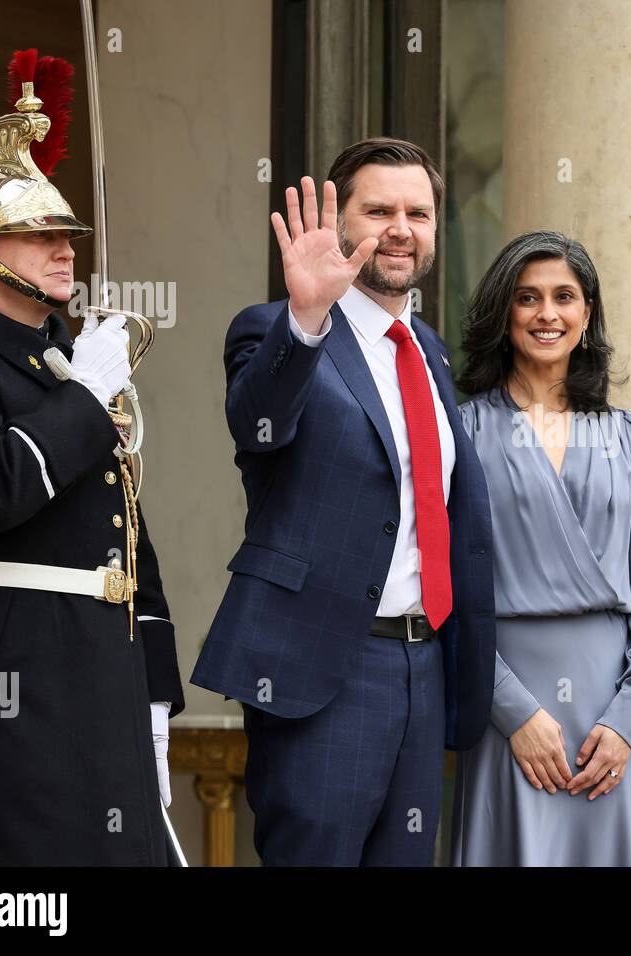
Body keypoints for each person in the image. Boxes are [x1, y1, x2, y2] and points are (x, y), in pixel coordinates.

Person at [192, 138, 496, 866]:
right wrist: (304, 320)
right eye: (378, 209)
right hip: (322, 667)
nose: (400, 227)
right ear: (339, 220)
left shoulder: (429, 351)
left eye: (417, 212)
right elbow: (256, 424)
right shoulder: (277, 329)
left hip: (424, 667)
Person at [0, 52, 183, 865]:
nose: (64, 250)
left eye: (66, 234)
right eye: (37, 235)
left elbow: (129, 533)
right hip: (1, 673)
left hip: (102, 670)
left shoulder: (66, 360)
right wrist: (86, 397)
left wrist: (157, 691)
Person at [449, 232, 631, 866]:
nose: (547, 313)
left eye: (564, 297)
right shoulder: (462, 431)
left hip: (608, 712)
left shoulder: (627, 433)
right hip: (507, 703)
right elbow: (447, 585)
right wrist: (511, 710)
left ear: (587, 312)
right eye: (528, 298)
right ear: (504, 313)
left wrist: (629, 717)